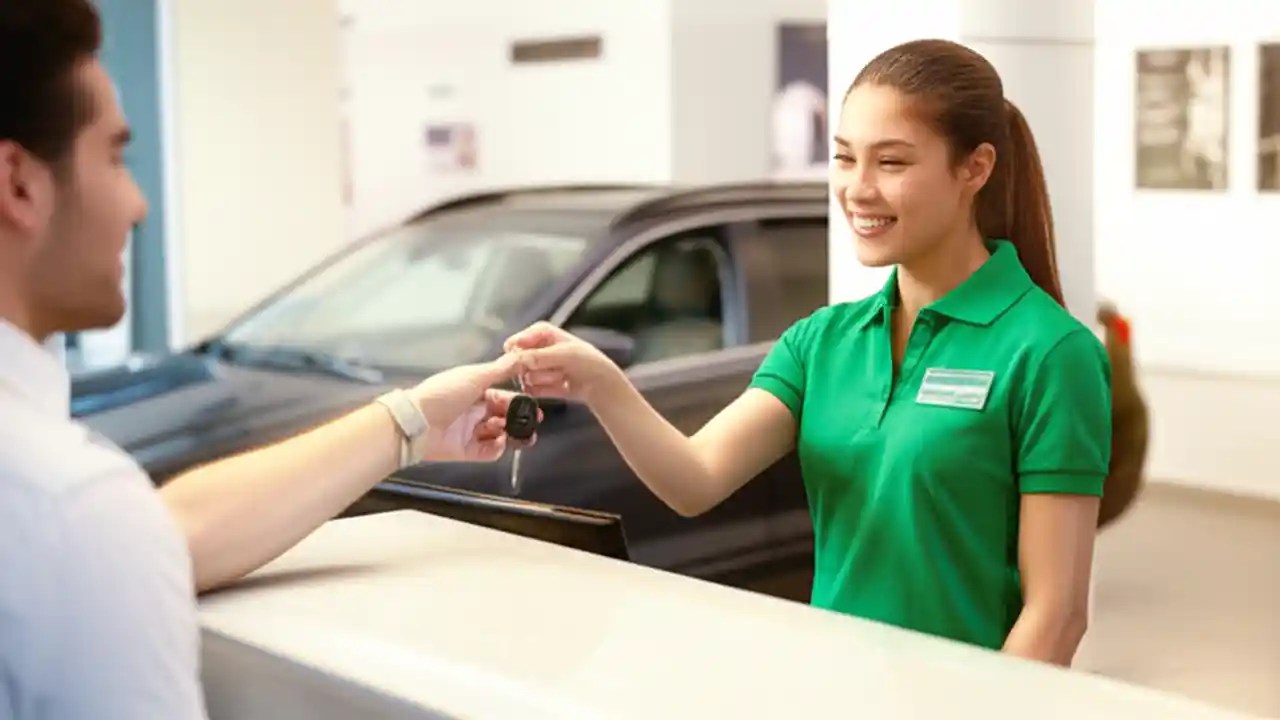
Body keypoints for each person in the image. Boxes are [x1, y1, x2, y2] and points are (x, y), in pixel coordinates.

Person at [507, 38, 1112, 666]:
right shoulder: (821, 342)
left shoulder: (1050, 355)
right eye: (845, 159)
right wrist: (599, 381)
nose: (858, 189)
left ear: (974, 168)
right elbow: (695, 479)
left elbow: (1057, 616)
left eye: (893, 163)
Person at [0, 2, 531, 717]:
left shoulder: (68, 511)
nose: (136, 205)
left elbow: (164, 533)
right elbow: (112, 538)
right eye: (116, 156)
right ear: (19, 183)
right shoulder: (70, 511)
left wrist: (408, 422)